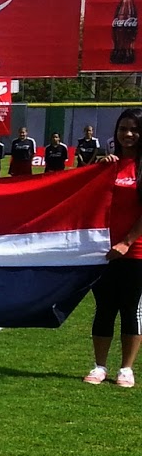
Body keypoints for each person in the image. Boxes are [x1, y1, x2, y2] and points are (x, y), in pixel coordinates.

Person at [87, 108, 142, 388]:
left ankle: (126, 369)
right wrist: (98, 167)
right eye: (123, 129)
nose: (128, 134)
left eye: (134, 129)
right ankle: (99, 366)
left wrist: (127, 241)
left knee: (131, 309)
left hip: (136, 251)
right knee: (104, 307)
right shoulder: (109, 164)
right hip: (104, 250)